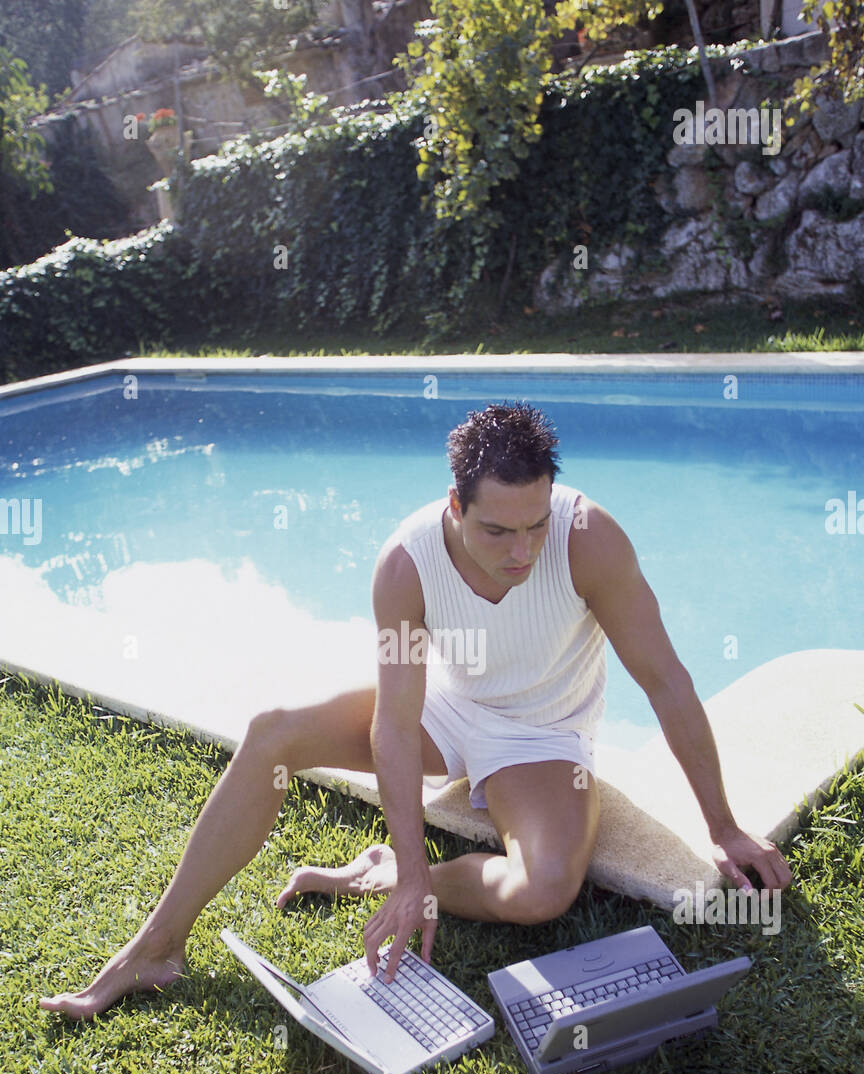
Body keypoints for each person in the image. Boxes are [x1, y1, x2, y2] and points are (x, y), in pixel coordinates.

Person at [40, 402, 792, 1021]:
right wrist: (406, 868)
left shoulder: (589, 540)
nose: (522, 551)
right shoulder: (407, 562)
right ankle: (157, 947)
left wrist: (722, 825)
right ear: (454, 505)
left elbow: (665, 679)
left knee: (544, 890)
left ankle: (404, 873)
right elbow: (396, 722)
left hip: (541, 737)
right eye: (498, 530)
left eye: (535, 526)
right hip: (446, 710)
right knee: (274, 731)